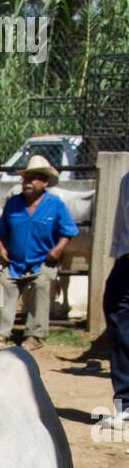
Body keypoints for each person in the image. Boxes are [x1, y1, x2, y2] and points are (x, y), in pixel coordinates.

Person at [0, 155, 78, 352]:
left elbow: (69, 231)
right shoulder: (13, 203)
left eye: (33, 178)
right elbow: (0, 231)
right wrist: (1, 248)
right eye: (25, 178)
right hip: (14, 261)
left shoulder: (56, 204)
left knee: (42, 284)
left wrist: (58, 249)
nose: (27, 182)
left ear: (44, 182)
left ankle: (34, 334)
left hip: (43, 261)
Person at [101, 167, 129, 428]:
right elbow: (121, 225)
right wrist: (118, 257)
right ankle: (125, 403)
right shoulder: (126, 180)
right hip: (127, 262)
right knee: (117, 317)